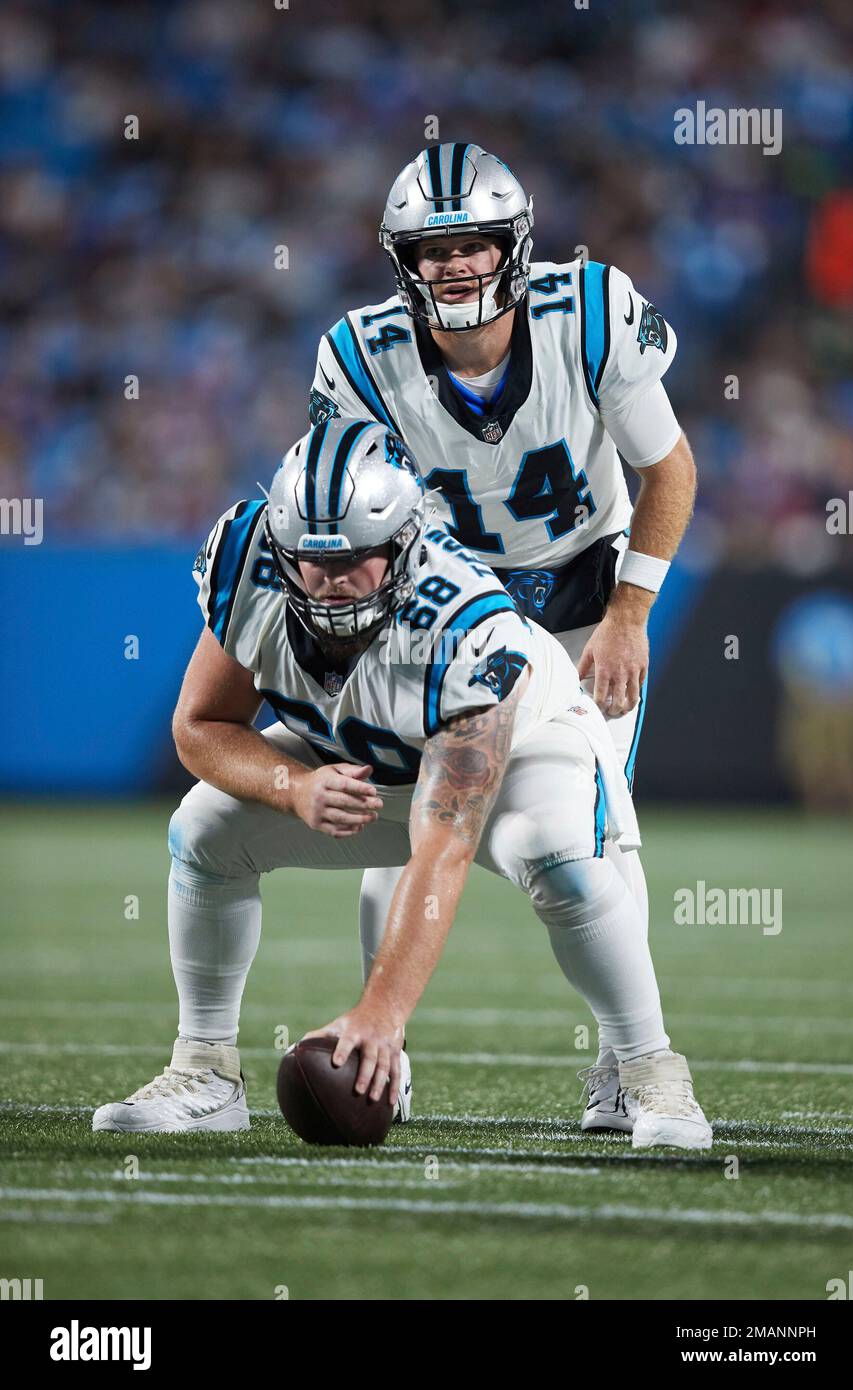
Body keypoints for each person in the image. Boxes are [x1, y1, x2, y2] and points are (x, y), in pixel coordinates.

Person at [92, 418, 711, 1151]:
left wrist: (381, 1014)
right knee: (201, 832)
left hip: (523, 749)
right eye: (311, 561)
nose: (330, 582)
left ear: (404, 542)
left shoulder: (460, 623)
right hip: (362, 756)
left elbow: (443, 845)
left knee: (555, 851)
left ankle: (649, 1068)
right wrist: (291, 785)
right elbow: (200, 725)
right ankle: (205, 1070)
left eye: (356, 559)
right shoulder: (249, 560)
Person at [309, 142, 697, 1131]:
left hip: (579, 604)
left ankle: (630, 1064)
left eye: (472, 243)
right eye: (430, 250)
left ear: (512, 245)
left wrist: (627, 611)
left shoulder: (590, 314)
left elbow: (669, 471)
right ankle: (380, 1058)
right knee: (393, 839)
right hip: (442, 623)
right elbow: (355, 508)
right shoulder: (359, 355)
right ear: (402, 261)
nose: (453, 266)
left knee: (589, 840)